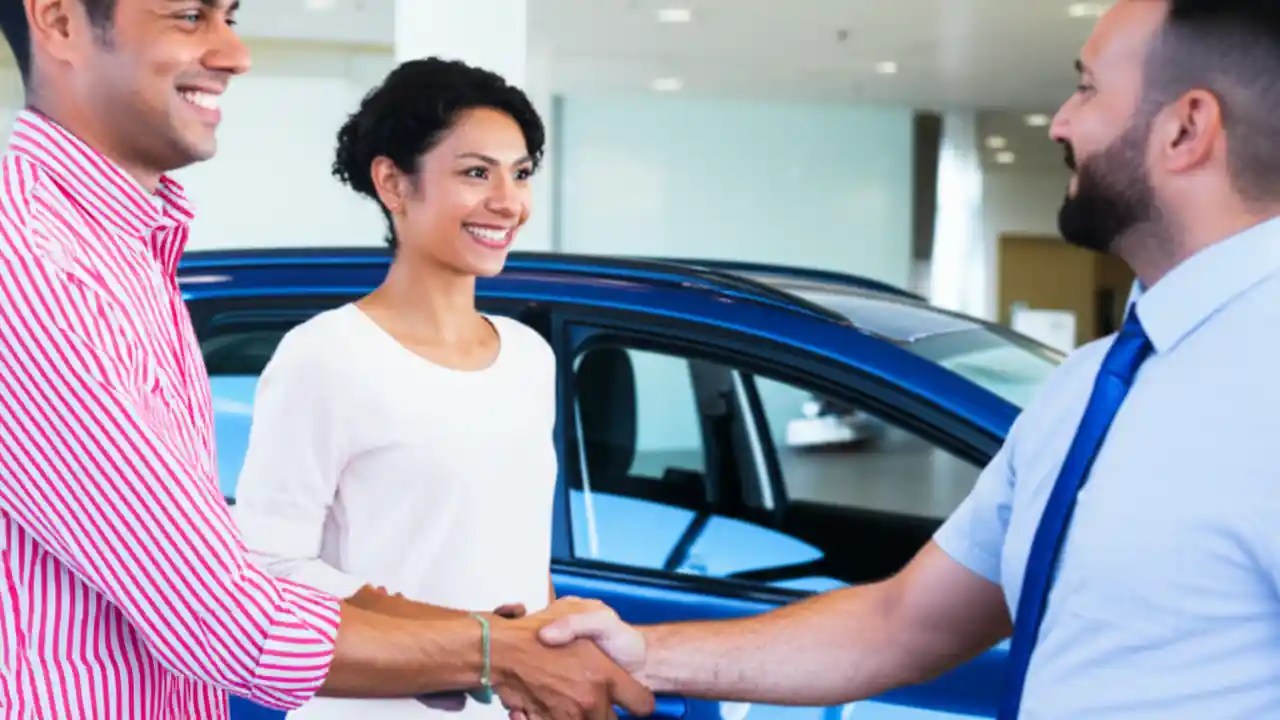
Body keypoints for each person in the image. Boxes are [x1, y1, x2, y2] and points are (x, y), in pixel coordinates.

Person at [539, 1, 1280, 717]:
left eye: (1086, 87)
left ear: (1187, 129)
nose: (1060, 120)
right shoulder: (1090, 384)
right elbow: (902, 623)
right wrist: (638, 655)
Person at [0, 2, 654, 720]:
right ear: (59, 20)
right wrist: (493, 649)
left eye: (230, 16)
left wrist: (515, 644)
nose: (235, 54)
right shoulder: (36, 269)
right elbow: (223, 605)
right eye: (189, 15)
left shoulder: (130, 259)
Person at [231, 57, 560, 720]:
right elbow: (268, 562)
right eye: (476, 172)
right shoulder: (326, 355)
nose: (508, 201)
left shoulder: (529, 357)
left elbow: (519, 552)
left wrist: (539, 665)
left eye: (520, 173)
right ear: (393, 182)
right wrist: (473, 639)